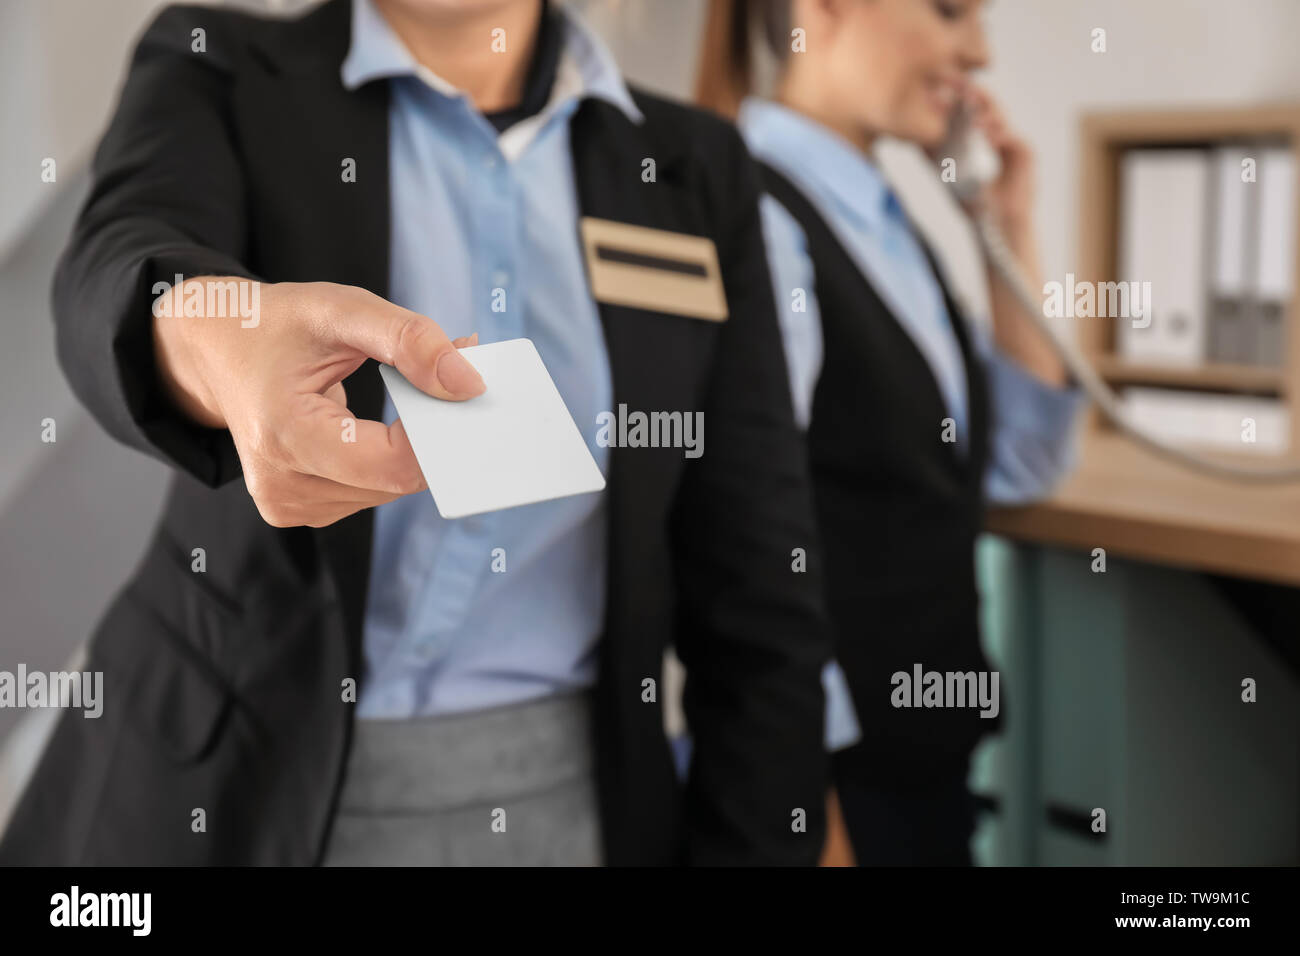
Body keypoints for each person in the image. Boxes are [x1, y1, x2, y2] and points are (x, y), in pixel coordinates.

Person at [0, 0, 831, 866]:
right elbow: (118, 257)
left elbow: (759, 595)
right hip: (222, 793)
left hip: (575, 814)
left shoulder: (694, 167)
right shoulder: (218, 64)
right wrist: (220, 342)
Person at [697, 0, 1085, 865]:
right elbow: (741, 549)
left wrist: (1003, 227)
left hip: (922, 772)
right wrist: (805, 801)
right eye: (950, 11)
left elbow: (1019, 463)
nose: (978, 52)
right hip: (830, 794)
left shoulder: (887, 222)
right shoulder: (757, 215)